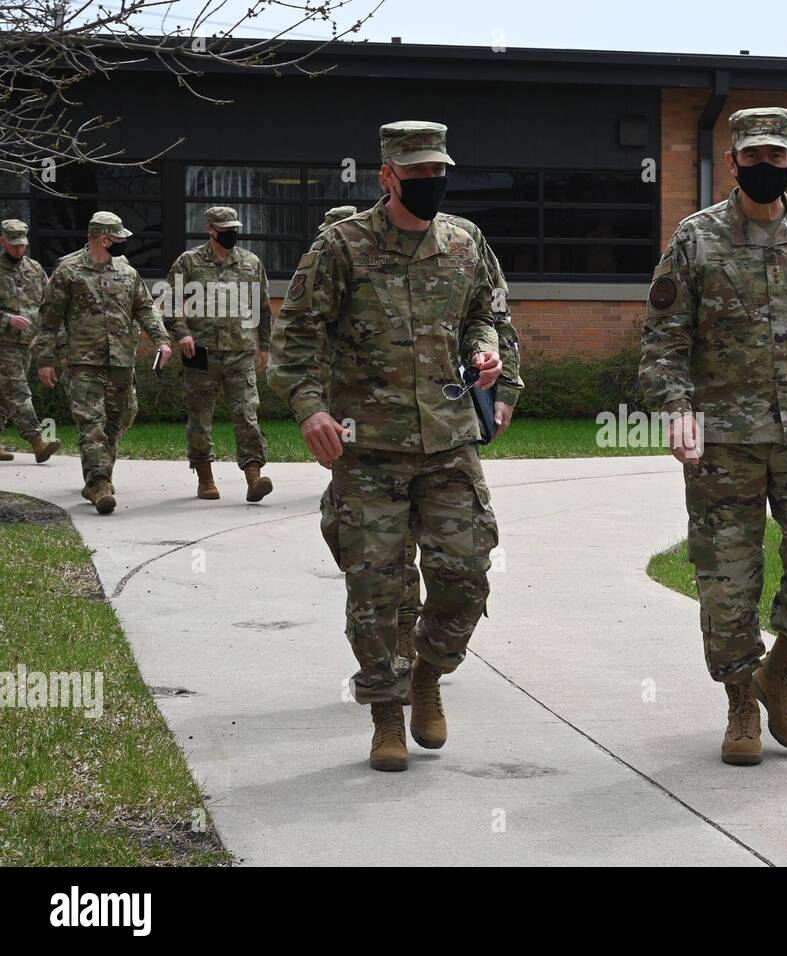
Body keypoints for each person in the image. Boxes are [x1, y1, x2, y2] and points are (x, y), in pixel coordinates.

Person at [270, 121, 506, 772]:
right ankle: (386, 712)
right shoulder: (340, 248)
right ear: (387, 176)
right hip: (367, 447)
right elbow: (293, 342)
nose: (432, 181)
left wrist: (485, 354)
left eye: (439, 170)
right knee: (373, 589)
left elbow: (487, 312)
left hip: (448, 439)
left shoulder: (464, 243)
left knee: (466, 573)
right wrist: (311, 409)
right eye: (419, 172)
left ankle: (428, 673)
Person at [640, 107, 787, 765]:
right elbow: (663, 337)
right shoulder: (697, 238)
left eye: (778, 157)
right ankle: (742, 699)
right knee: (727, 578)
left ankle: (784, 668)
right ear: (735, 161)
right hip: (723, 443)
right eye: (754, 157)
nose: (765, 167)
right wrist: (676, 407)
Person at [32, 212, 173, 514]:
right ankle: (98, 483)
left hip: (122, 360)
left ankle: (99, 473)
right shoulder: (68, 272)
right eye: (119, 237)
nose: (124, 242)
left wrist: (161, 339)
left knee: (119, 417)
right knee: (91, 423)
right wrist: (45, 359)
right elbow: (48, 321)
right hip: (84, 361)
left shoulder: (126, 271)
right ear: (104, 238)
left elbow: (145, 308)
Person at [162, 206, 274, 502]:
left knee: (247, 415)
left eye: (234, 229)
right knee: (200, 419)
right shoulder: (188, 262)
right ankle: (205, 477)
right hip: (200, 353)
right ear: (211, 230)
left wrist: (265, 347)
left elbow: (263, 308)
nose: (232, 235)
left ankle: (254, 477)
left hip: (240, 351)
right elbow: (170, 303)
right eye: (225, 230)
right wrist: (182, 334)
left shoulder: (251, 263)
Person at [0, 218, 60, 463]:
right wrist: (6, 319)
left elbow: (48, 305)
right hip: (4, 343)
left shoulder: (35, 269)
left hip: (29, 343)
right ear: (2, 241)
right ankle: (38, 441)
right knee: (18, 392)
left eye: (22, 245)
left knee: (5, 394)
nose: (18, 249)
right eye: (13, 245)